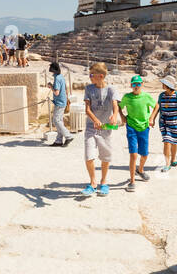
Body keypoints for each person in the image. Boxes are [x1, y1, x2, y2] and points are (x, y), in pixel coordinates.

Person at [79, 63, 116, 199]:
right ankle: (93, 182)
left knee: (105, 156)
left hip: (106, 127)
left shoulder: (111, 89)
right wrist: (95, 120)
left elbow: (115, 106)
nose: (89, 78)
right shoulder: (89, 88)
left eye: (91, 75)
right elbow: (87, 109)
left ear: (100, 76)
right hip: (91, 127)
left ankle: (104, 182)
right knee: (89, 156)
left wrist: (115, 116)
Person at [121, 75, 153, 191]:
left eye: (138, 84)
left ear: (142, 85)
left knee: (144, 154)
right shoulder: (127, 97)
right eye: (134, 84)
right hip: (131, 128)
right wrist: (122, 117)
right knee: (133, 154)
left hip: (144, 127)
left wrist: (151, 118)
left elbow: (156, 106)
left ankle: (140, 170)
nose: (136, 86)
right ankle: (132, 181)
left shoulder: (146, 96)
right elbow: (119, 106)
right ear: (131, 85)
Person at [158, 79, 177, 172]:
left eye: (163, 83)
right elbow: (158, 107)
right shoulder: (161, 95)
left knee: (174, 142)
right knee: (167, 141)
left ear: (167, 85)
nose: (162, 85)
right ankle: (167, 164)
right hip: (164, 122)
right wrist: (152, 118)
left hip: (175, 122)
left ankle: (173, 160)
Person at [46, 62, 71, 147]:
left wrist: (51, 86)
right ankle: (59, 140)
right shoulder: (61, 77)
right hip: (62, 101)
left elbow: (56, 92)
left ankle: (68, 136)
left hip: (59, 102)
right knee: (59, 121)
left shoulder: (57, 78)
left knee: (56, 121)